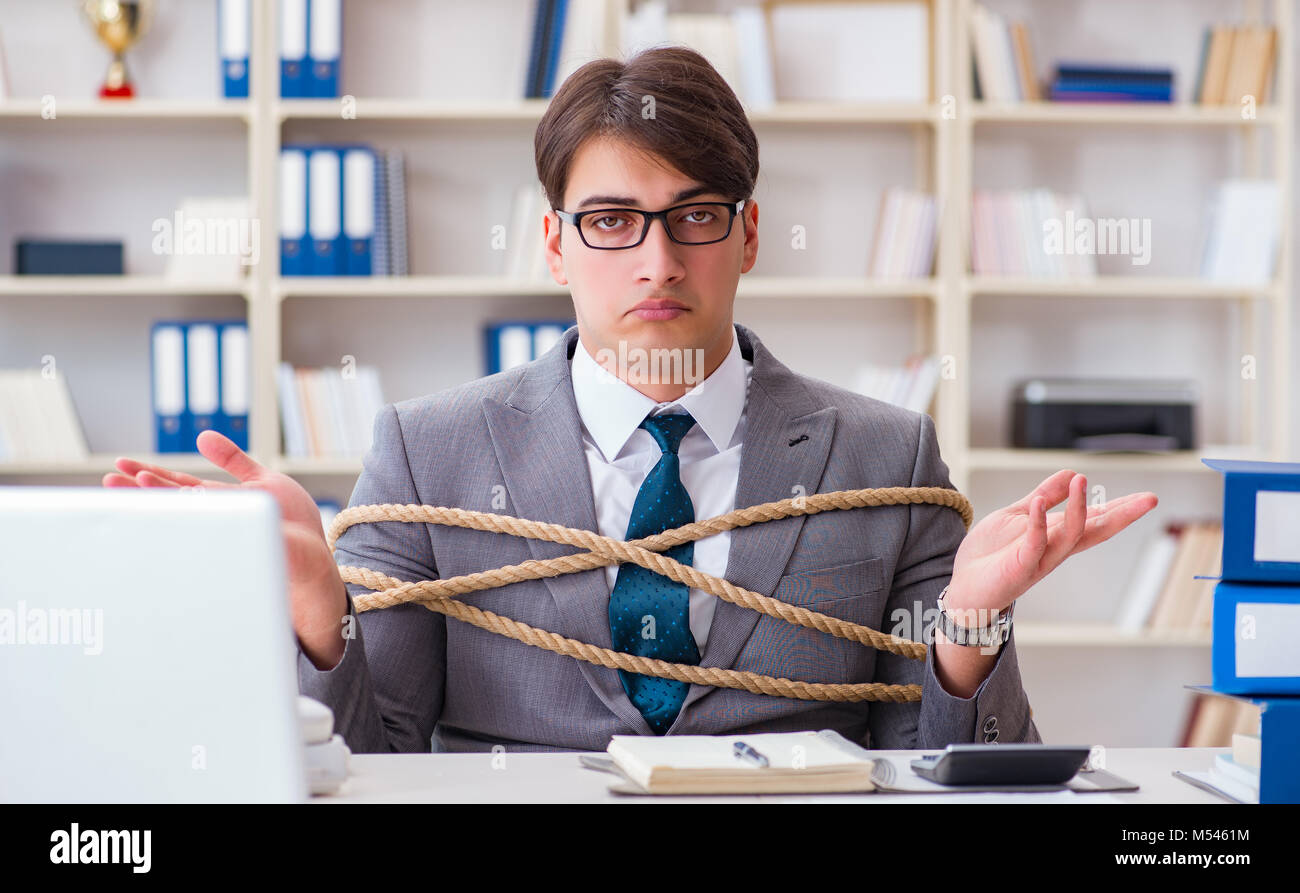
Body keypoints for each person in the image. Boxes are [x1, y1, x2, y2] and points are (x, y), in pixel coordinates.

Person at [104, 46, 1158, 753]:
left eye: (693, 215)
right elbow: (375, 759)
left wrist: (968, 623)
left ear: (747, 235)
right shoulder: (429, 455)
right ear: (556, 243)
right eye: (611, 219)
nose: (656, 259)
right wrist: (318, 618)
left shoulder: (884, 452)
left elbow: (955, 776)